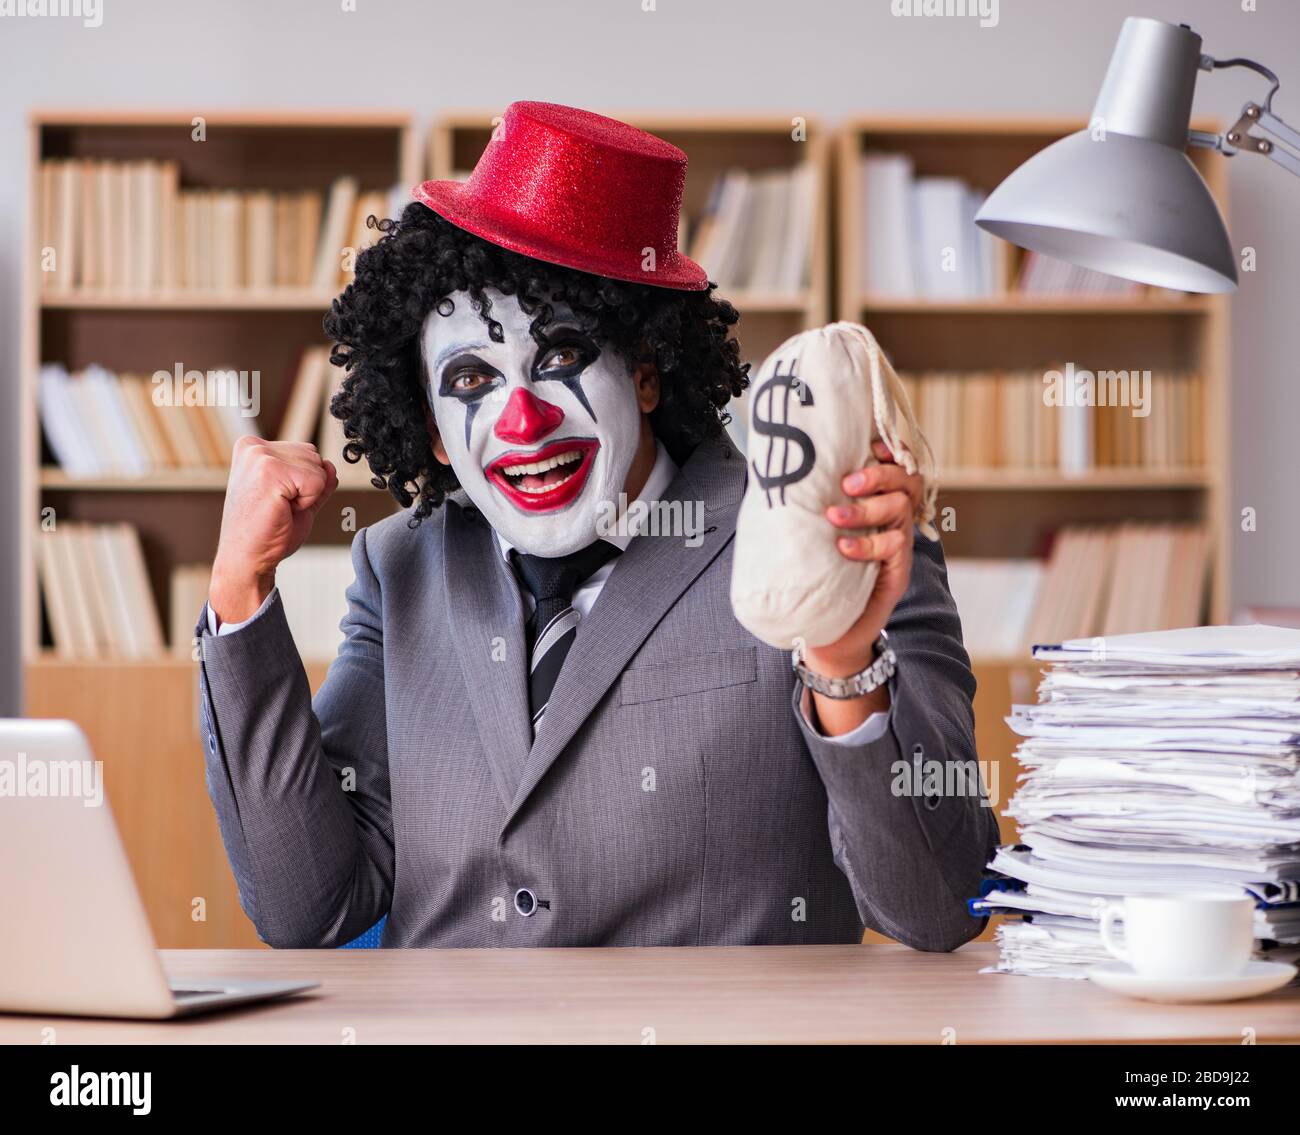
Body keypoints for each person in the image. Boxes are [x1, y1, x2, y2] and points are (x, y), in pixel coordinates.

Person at [198, 101, 998, 950]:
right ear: (431, 424)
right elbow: (308, 906)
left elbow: (940, 907)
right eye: (471, 380)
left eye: (562, 357)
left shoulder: (828, 530)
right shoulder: (401, 566)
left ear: (647, 371)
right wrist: (238, 594)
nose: (521, 422)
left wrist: (842, 661)